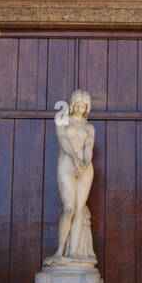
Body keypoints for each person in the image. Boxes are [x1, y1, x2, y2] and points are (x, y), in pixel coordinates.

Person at [47, 89, 96, 265]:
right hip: (67, 165)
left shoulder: (89, 127)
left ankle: (74, 251)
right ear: (72, 104)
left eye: (84, 106)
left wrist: (84, 161)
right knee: (69, 208)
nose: (81, 108)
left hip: (85, 168)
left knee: (79, 208)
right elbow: (63, 141)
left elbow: (89, 146)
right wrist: (75, 159)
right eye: (78, 105)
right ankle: (60, 250)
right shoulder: (63, 121)